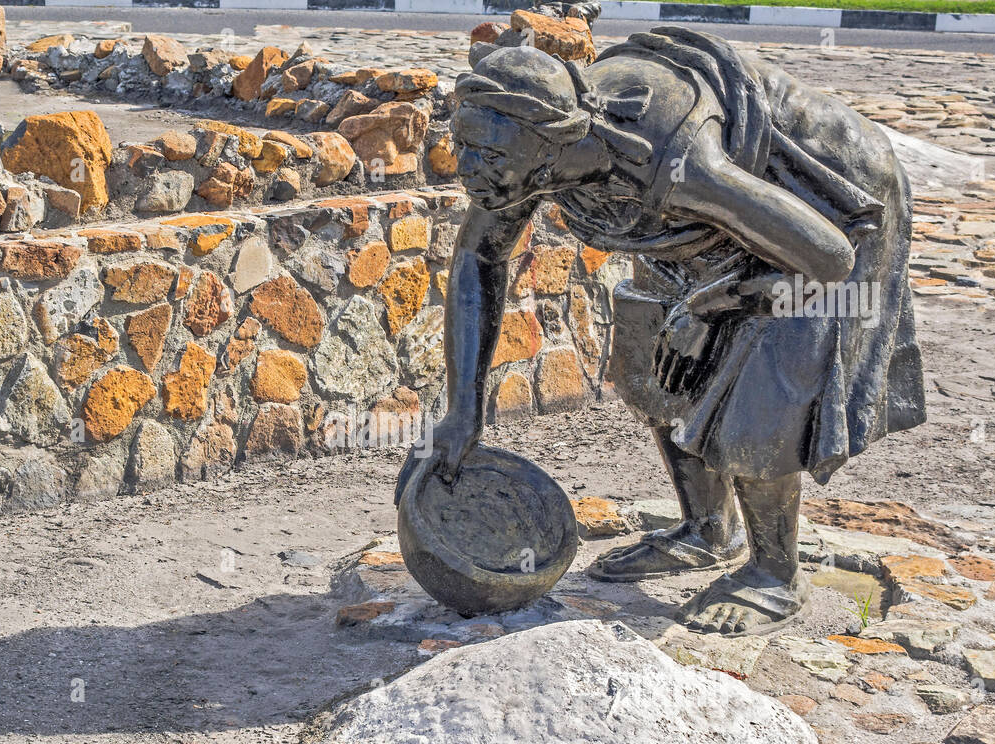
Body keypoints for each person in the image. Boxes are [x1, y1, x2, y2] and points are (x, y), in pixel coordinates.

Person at [396, 29, 925, 636]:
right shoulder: (516, 141)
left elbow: (828, 262)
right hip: (700, 223)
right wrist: (464, 410)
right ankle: (706, 530)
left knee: (762, 394)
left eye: (485, 157)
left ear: (554, 143)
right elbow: (478, 260)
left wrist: (709, 305)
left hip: (827, 211)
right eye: (462, 147)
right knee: (653, 362)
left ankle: (775, 574)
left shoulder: (676, 160)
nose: (467, 171)